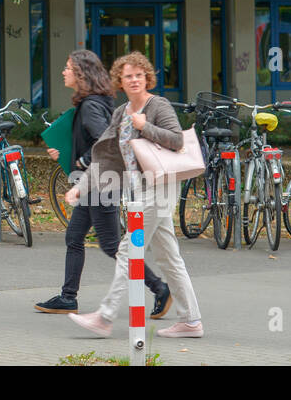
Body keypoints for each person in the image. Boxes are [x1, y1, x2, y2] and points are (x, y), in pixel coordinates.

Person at [66, 50, 204, 338]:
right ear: (120, 80)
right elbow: (105, 157)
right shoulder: (120, 113)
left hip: (160, 188)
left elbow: (177, 140)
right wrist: (81, 186)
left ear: (147, 77)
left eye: (139, 75)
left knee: (128, 249)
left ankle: (104, 317)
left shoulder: (158, 105)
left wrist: (145, 127)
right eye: (127, 76)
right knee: (168, 258)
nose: (134, 80)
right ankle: (191, 321)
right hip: (139, 190)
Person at [36, 50, 172, 319]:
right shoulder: (92, 102)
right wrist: (66, 153)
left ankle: (159, 287)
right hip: (95, 182)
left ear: (81, 73)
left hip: (102, 182)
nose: (63, 72)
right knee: (74, 237)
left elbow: (106, 142)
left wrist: (84, 161)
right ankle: (68, 297)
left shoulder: (91, 105)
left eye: (67, 68)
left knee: (111, 245)